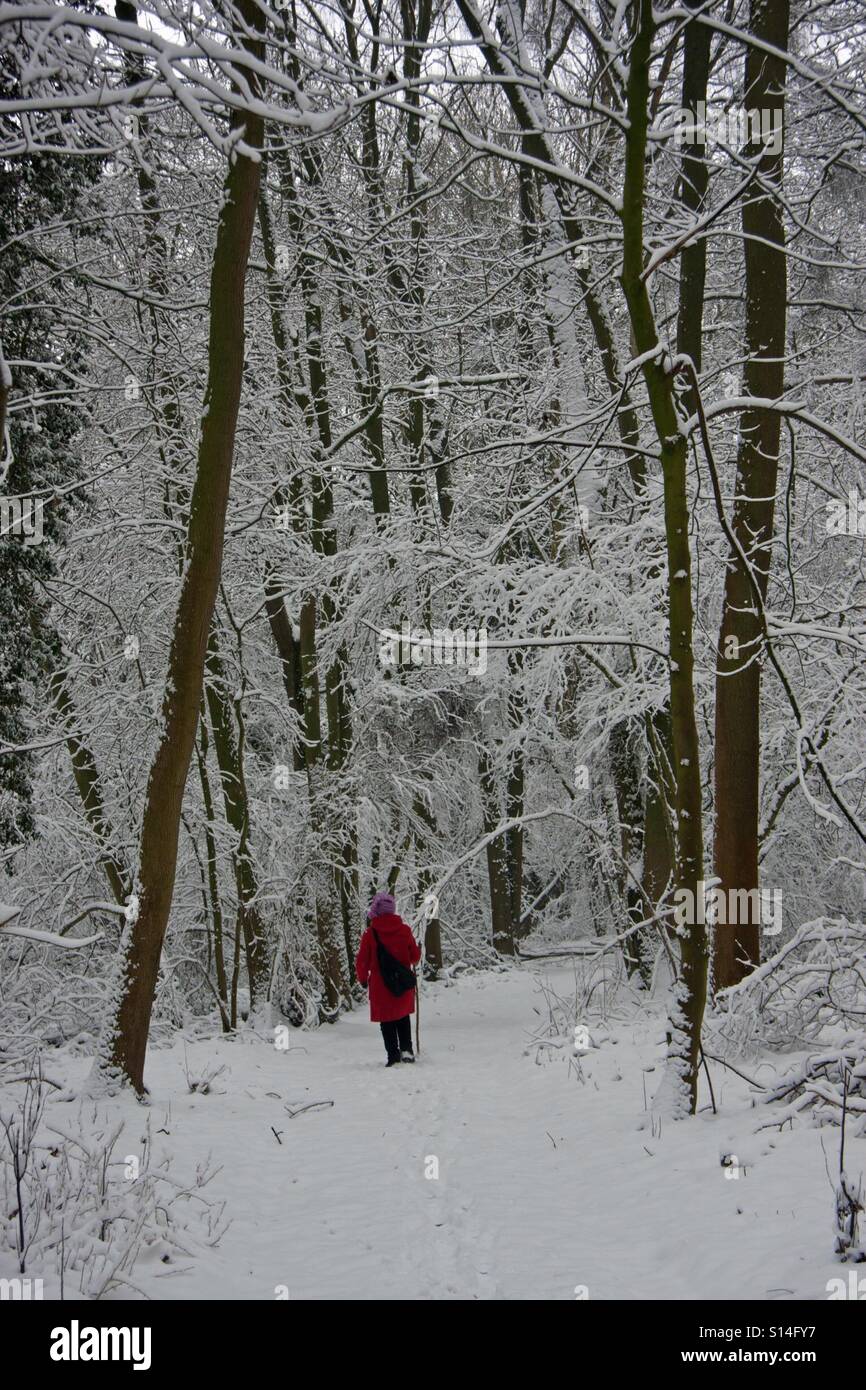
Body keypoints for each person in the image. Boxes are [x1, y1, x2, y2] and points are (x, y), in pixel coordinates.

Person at [355, 891, 421, 1066]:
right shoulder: (405, 931)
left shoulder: (370, 934)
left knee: (387, 1021)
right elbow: (414, 956)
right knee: (402, 1017)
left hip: (381, 985)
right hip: (402, 983)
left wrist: (362, 978)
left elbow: (362, 961)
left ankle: (393, 1055)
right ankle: (407, 1050)